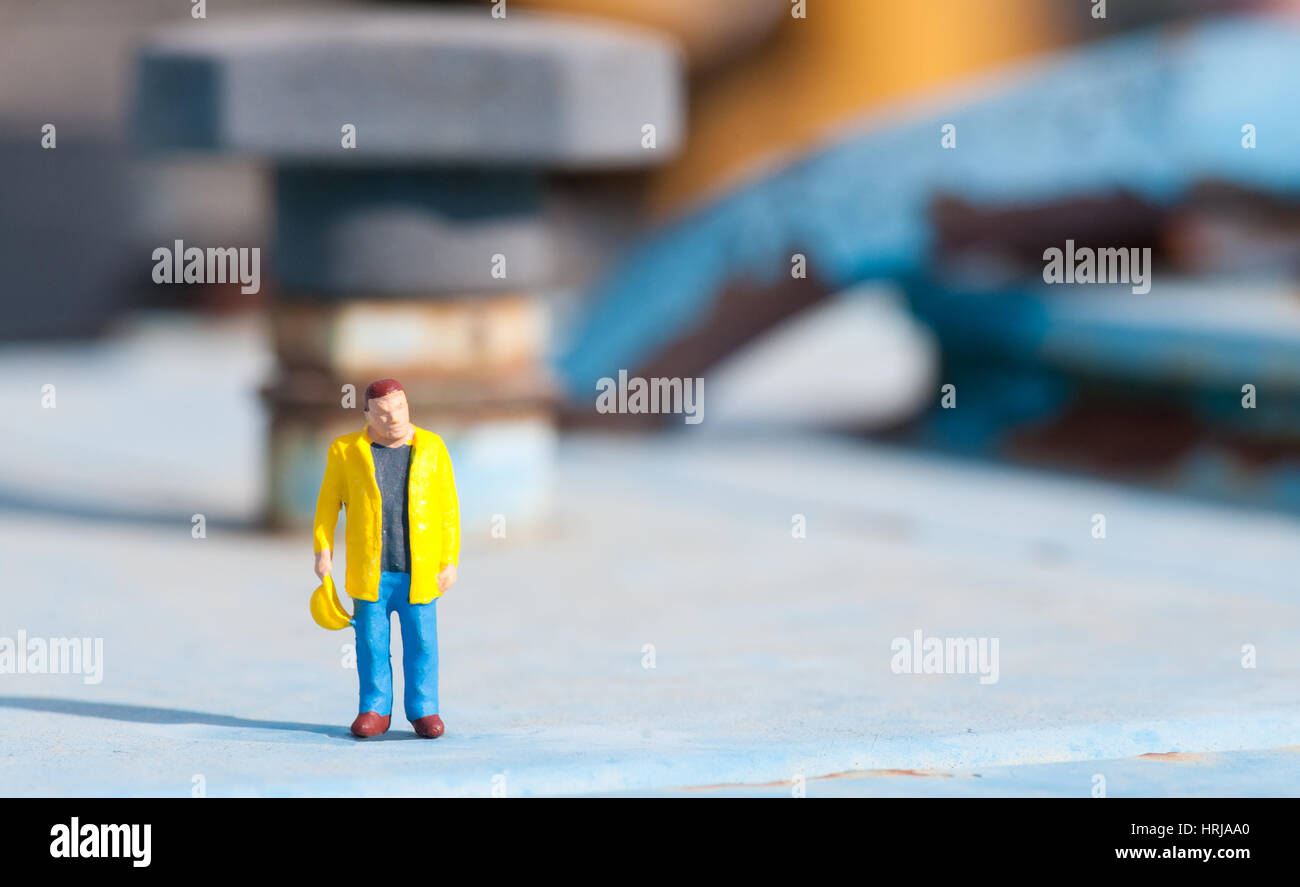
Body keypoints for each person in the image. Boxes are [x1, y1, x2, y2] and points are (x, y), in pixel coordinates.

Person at [313, 378, 460, 738]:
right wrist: (323, 549)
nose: (393, 418)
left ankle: (424, 709)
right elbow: (326, 508)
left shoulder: (433, 448)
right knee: (371, 645)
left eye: (399, 409)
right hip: (371, 574)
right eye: (382, 412)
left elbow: (449, 511)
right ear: (367, 415)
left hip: (420, 573)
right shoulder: (345, 452)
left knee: (423, 644)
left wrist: (450, 560)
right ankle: (375, 708)